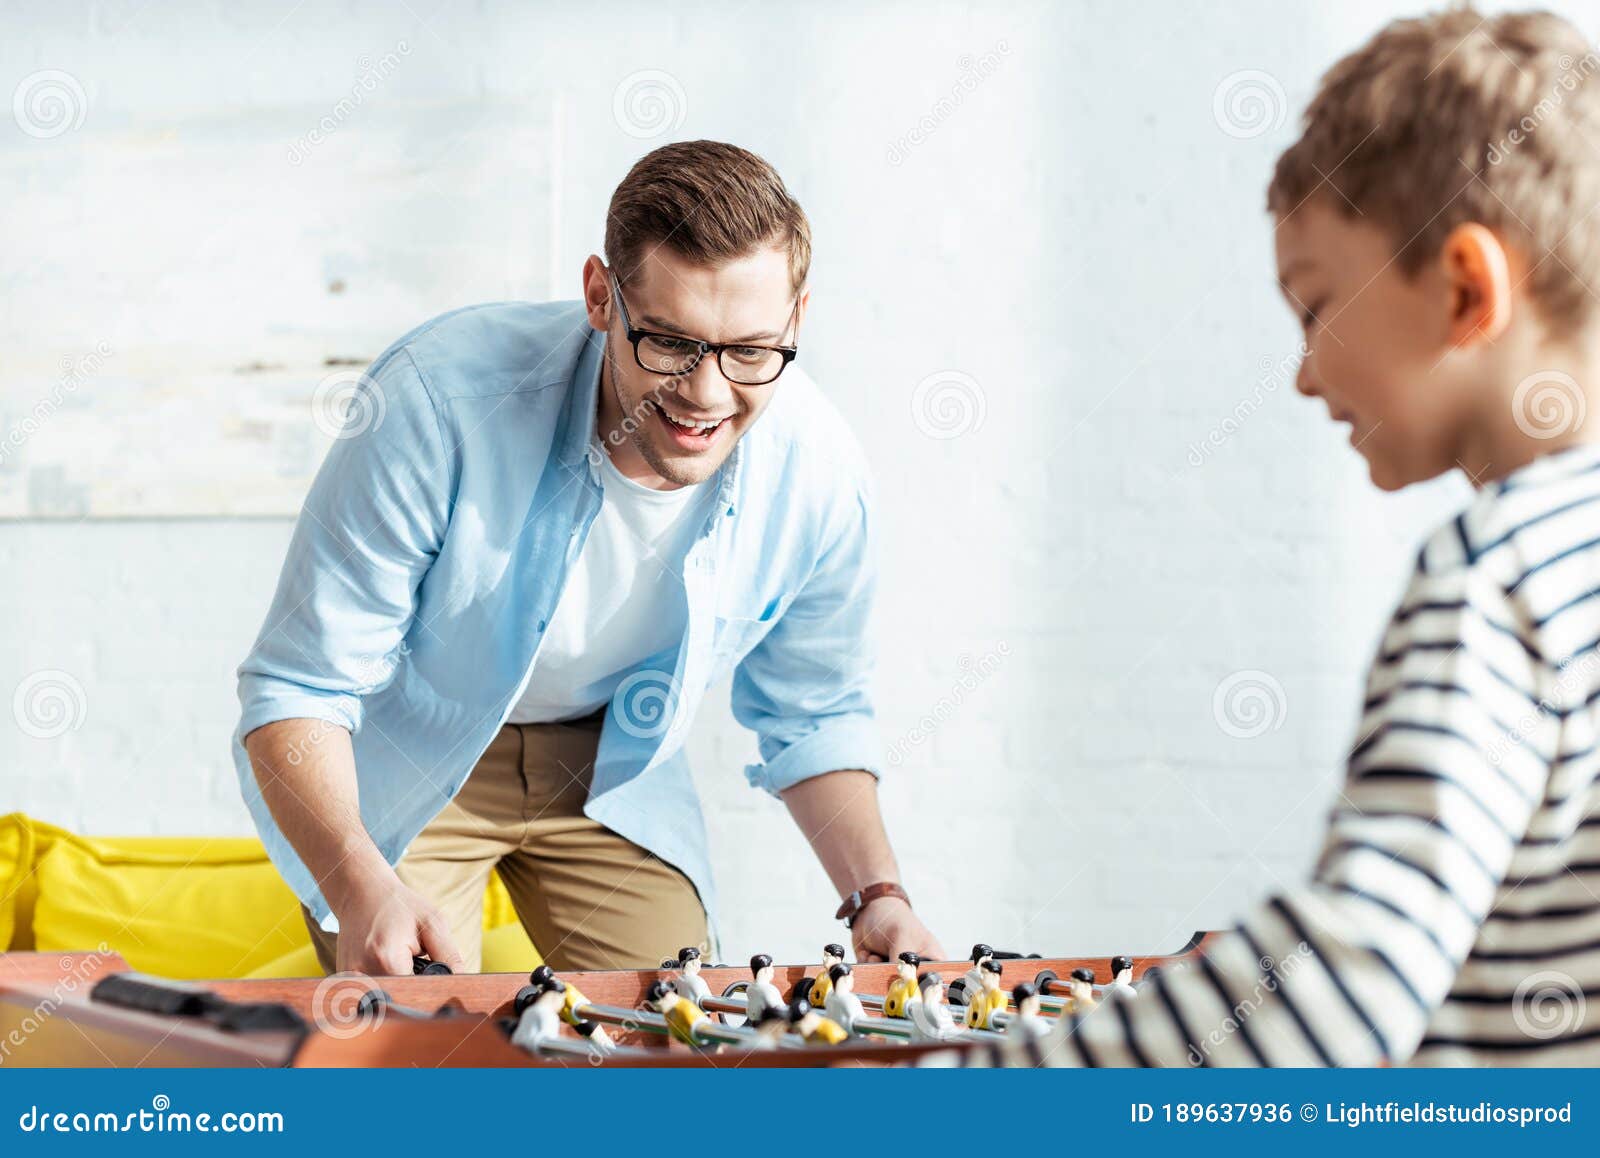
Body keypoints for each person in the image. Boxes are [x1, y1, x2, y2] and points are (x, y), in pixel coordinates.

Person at [968, 7, 1600, 1067]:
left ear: (1463, 289)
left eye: (1315, 310)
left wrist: (963, 1094)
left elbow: (1343, 984)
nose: (1304, 374)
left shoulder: (1498, 581)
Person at [234, 140, 942, 976]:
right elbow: (299, 687)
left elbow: (814, 712)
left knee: (680, 1026)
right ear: (601, 296)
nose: (706, 394)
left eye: (751, 351)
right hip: (418, 746)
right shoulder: (435, 403)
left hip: (612, 768)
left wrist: (878, 897)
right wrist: (360, 885)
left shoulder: (819, 477)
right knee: (423, 1022)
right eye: (669, 343)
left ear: (796, 319)